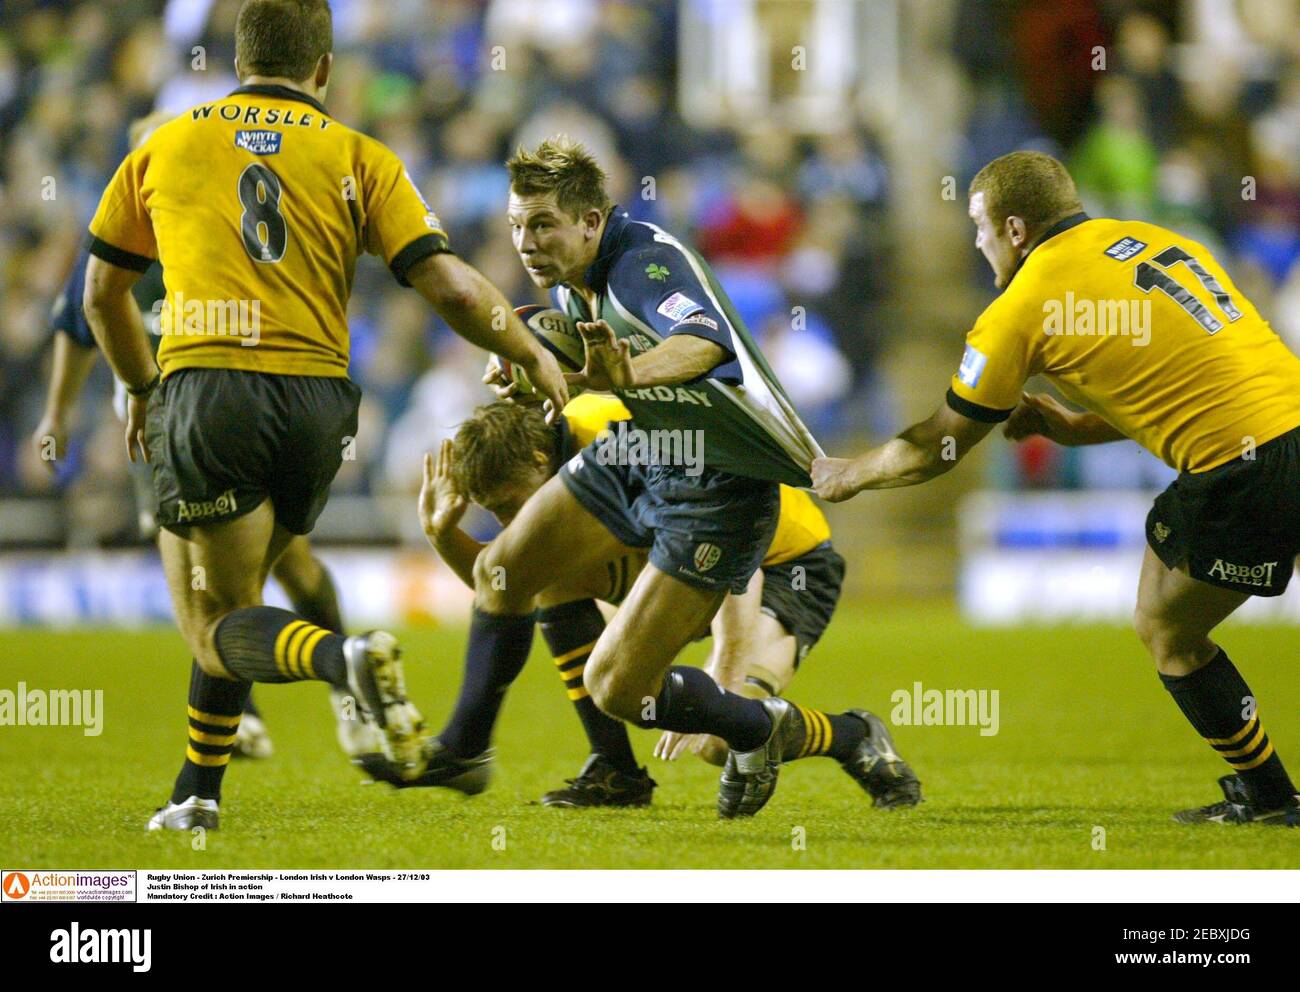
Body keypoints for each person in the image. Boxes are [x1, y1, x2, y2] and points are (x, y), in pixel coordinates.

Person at [82, 0, 566, 831]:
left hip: (211, 386)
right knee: (245, 586)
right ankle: (197, 791)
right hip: (318, 405)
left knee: (214, 623)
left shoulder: (165, 142)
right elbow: (447, 284)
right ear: (326, 69)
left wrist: (139, 385)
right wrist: (529, 350)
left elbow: (102, 294)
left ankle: (342, 658)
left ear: (237, 60)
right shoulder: (360, 153)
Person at [412, 136, 912, 819]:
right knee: (509, 569)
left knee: (619, 689)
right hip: (643, 450)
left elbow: (703, 340)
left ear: (592, 222)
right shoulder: (574, 280)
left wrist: (630, 374)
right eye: (516, 227)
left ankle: (802, 730)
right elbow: (576, 346)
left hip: (724, 487)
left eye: (542, 225)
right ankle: (467, 750)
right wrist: (529, 359)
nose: (525, 242)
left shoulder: (641, 265)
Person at [813, 150, 1299, 827]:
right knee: (1168, 607)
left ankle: (1272, 797)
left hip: (1242, 471)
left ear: (1014, 229)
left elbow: (941, 443)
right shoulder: (1161, 241)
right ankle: (1270, 796)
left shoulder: (1023, 304)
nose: (978, 244)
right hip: (1285, 431)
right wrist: (1075, 426)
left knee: (1167, 628)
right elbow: (1195, 378)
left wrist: (852, 473)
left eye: (980, 227)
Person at [32, 110, 373, 763]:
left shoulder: (223, 235)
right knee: (208, 590)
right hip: (157, 435)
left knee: (273, 573)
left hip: (226, 419)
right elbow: (81, 325)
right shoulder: (117, 240)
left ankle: (338, 684)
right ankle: (255, 710)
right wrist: (57, 414)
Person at [400, 393, 918, 810]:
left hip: (781, 567)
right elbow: (508, 591)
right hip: (688, 562)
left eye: (509, 505)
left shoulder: (604, 431)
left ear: (540, 460)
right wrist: (442, 535)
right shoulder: (577, 464)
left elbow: (736, 556)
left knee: (719, 742)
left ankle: (851, 735)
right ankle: (615, 771)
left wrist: (723, 687)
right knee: (556, 583)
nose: (506, 524)